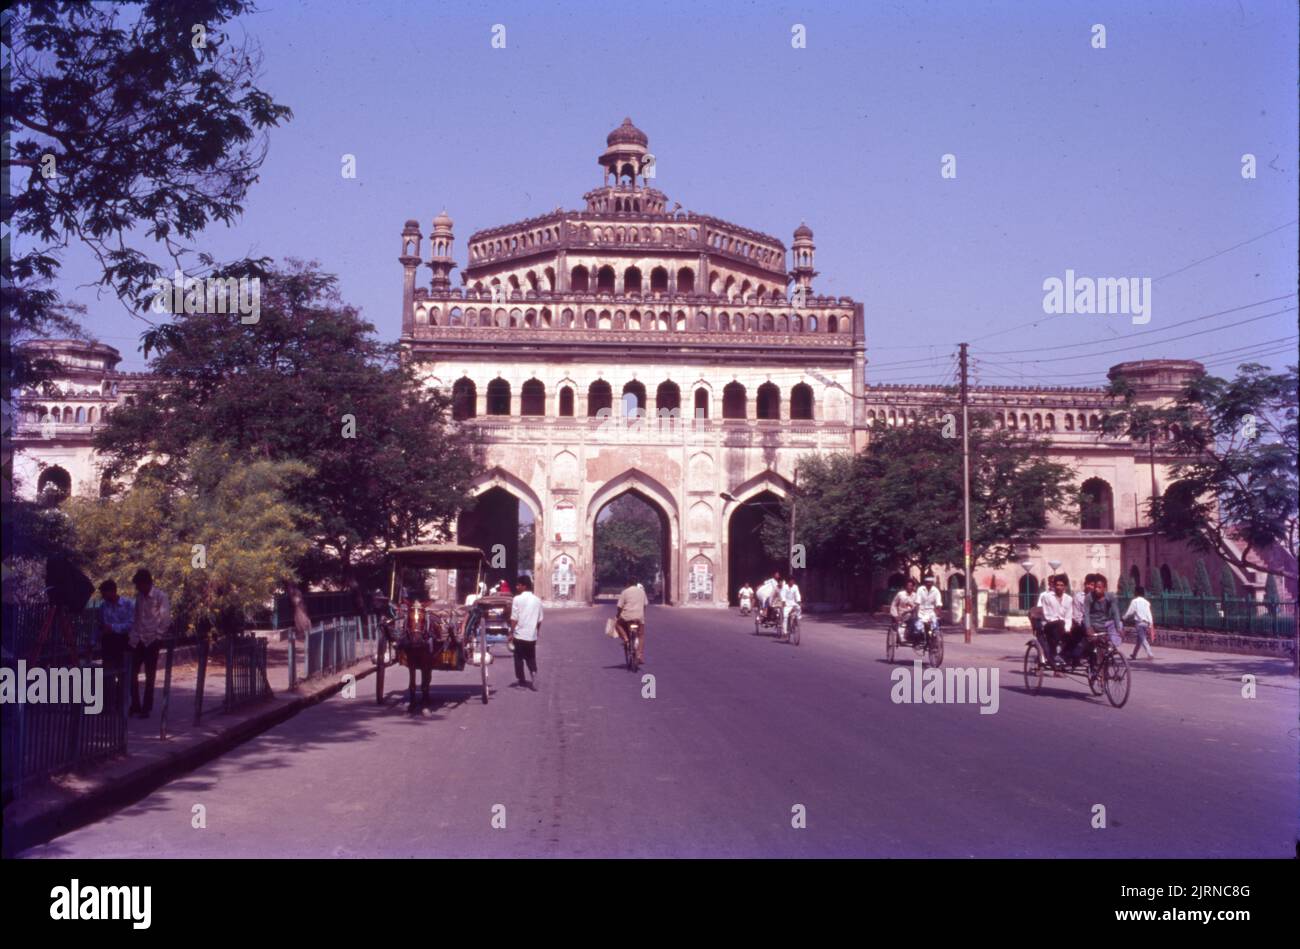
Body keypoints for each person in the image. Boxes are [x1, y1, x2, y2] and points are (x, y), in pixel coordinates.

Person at [128, 568, 170, 718]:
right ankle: (135, 705)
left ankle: (146, 707)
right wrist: (133, 637)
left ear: (146, 583)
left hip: (152, 640)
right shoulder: (139, 597)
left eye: (139, 585)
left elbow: (165, 618)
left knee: (149, 676)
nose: (138, 588)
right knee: (132, 674)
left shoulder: (160, 596)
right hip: (138, 639)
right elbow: (137, 618)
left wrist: (158, 637)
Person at [1081, 574, 1124, 668]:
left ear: (1104, 588)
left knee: (1118, 625)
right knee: (1093, 646)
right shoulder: (1089, 597)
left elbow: (1116, 613)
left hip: (1104, 623)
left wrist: (1118, 628)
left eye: (1099, 587)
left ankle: (1112, 649)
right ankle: (1093, 663)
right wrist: (1088, 627)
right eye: (1095, 587)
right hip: (1092, 624)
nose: (1096, 589)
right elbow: (1086, 614)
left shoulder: (1110, 597)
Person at [508, 575, 543, 690]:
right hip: (531, 635)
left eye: (518, 585)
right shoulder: (537, 600)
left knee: (518, 657)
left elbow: (514, 618)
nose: (517, 587)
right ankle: (533, 672)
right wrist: (536, 632)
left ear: (524, 586)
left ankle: (521, 680)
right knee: (531, 657)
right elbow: (539, 619)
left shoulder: (517, 599)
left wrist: (511, 632)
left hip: (519, 634)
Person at [1036, 574, 1072, 673]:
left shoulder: (1068, 599)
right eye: (1057, 585)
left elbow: (1068, 616)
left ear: (1065, 587)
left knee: (1075, 630)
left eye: (1061, 585)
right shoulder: (1047, 597)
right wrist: (1061, 622)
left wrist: (1068, 628)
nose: (1059, 587)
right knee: (1059, 623)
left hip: (1062, 625)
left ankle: (1067, 655)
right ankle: (1053, 653)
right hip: (1049, 624)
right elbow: (1047, 615)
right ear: (1054, 586)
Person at [97, 579, 134, 671]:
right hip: (108, 641)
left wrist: (113, 627)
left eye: (105, 593)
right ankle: (109, 685)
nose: (103, 596)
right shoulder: (103, 606)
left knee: (123, 669)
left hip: (123, 640)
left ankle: (122, 685)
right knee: (108, 669)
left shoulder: (127, 604)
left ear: (113, 591)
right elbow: (100, 624)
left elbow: (131, 624)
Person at [615, 577, 649, 664]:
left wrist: (617, 616)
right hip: (639, 617)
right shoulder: (642, 592)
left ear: (628, 583)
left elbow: (619, 607)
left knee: (617, 624)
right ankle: (639, 655)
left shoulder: (625, 592)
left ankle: (626, 639)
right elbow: (645, 605)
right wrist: (641, 613)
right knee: (641, 635)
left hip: (627, 617)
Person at [1124, 585, 1157, 660]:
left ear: (1136, 592)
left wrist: (1123, 618)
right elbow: (1149, 613)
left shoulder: (1134, 601)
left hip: (1139, 623)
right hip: (1146, 622)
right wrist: (1151, 623)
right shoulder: (1146, 602)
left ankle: (1150, 653)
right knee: (1139, 639)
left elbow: (1130, 612)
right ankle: (1134, 654)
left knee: (1142, 638)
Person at [914, 574, 942, 639]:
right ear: (925, 583)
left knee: (935, 628)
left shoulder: (936, 591)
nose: (929, 584)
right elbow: (917, 603)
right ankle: (919, 641)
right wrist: (917, 614)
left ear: (932, 583)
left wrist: (939, 614)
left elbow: (938, 603)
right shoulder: (920, 589)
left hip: (931, 613)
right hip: (921, 612)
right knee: (918, 629)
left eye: (930, 582)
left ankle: (934, 642)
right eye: (927, 582)